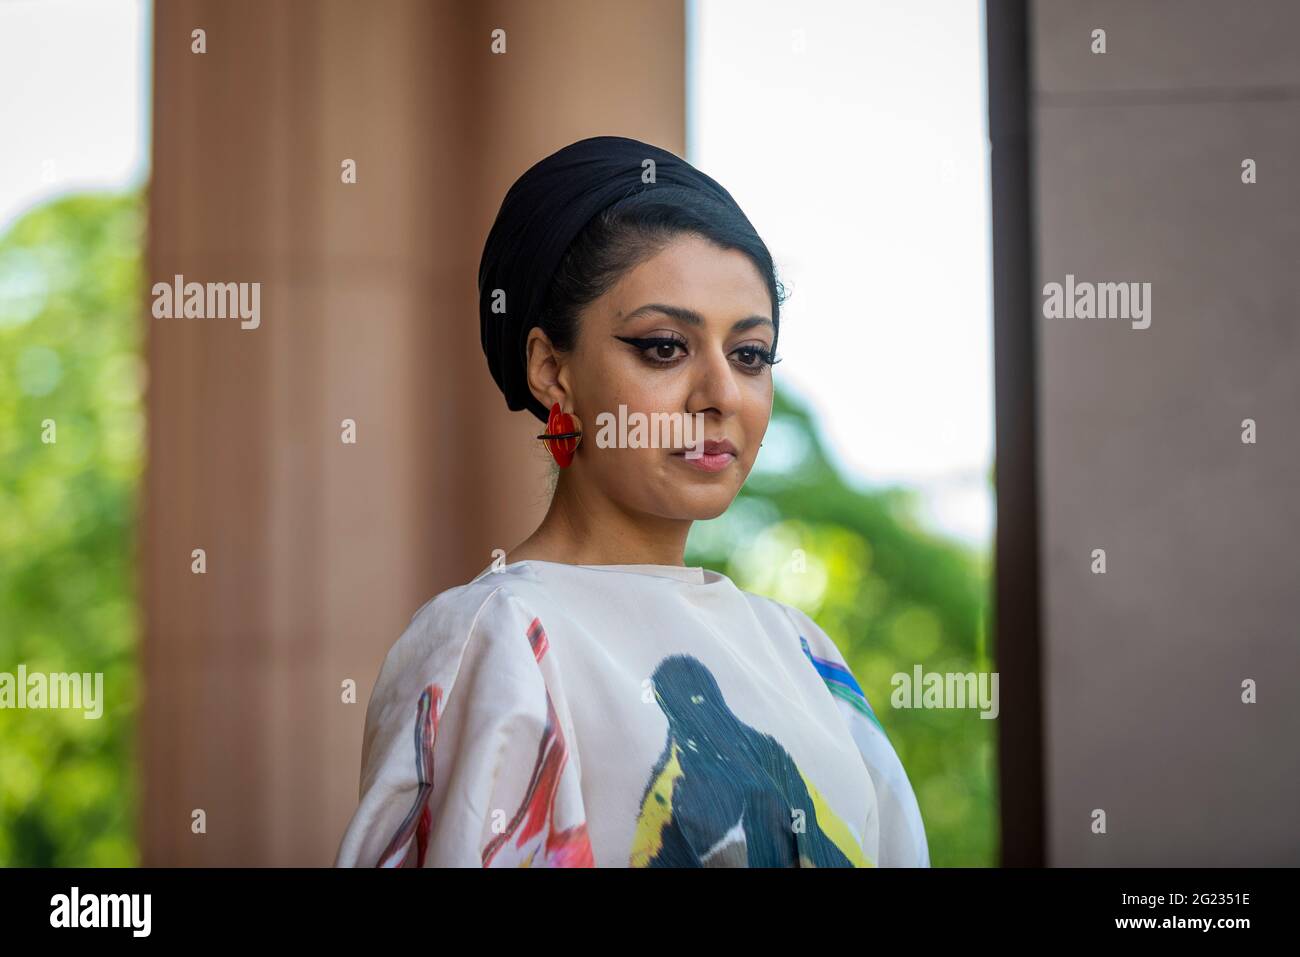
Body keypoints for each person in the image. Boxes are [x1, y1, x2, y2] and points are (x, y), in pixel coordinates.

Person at [334, 135, 929, 868]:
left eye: (750, 354)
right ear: (553, 371)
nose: (720, 395)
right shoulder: (501, 637)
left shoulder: (804, 654)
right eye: (663, 346)